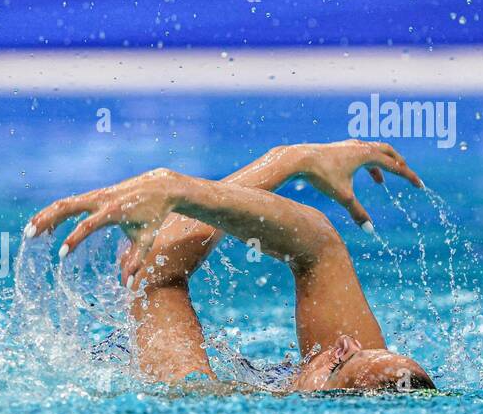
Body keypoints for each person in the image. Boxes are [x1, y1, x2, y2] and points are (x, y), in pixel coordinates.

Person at [24, 141, 436, 392]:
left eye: (342, 363)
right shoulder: (361, 371)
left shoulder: (194, 399)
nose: (347, 345)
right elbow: (317, 244)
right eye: (367, 350)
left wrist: (174, 188)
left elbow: (154, 271)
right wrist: (292, 160)